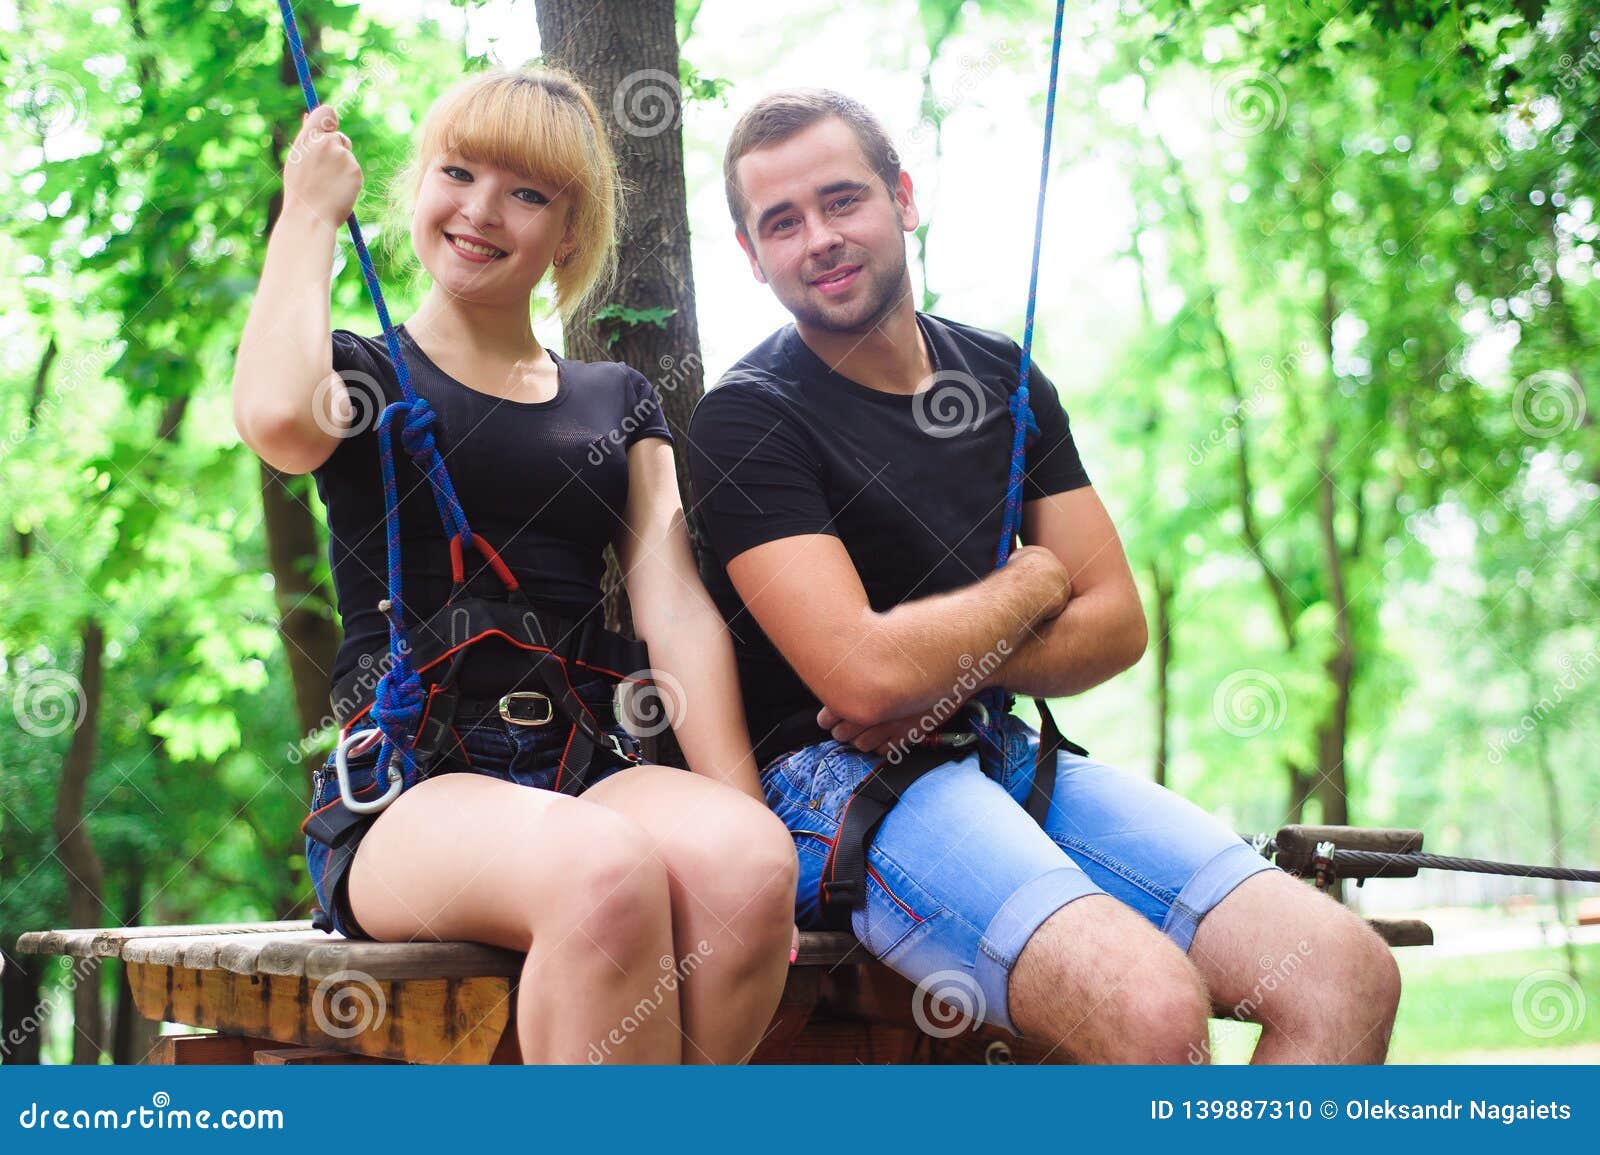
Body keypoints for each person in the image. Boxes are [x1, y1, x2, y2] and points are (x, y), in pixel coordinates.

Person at [687, 88, 1401, 1064]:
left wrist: (947, 666)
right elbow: (860, 679)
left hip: (1000, 752)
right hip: (840, 785)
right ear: (751, 254)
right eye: (782, 222)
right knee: (1148, 1008)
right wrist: (1030, 588)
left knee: (1343, 972)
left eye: (841, 200)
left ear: (902, 196)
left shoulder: (999, 378)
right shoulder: (747, 419)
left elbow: (1116, 624)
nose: (818, 237)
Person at [232, 66, 797, 1064]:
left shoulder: (615, 399)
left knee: (748, 865)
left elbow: (677, 614)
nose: (482, 210)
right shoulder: (365, 376)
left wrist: (737, 812)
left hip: (587, 768)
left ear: (567, 232)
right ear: (418, 186)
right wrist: (306, 214)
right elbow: (276, 419)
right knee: (604, 873)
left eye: (526, 192)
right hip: (409, 790)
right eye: (458, 172)